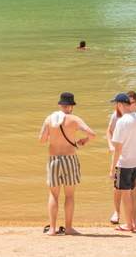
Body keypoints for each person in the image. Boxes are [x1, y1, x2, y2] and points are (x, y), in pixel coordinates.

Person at [37, 92, 96, 235]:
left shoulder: (49, 119)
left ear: (60, 105)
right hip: (69, 159)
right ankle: (68, 228)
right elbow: (92, 134)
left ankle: (52, 229)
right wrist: (84, 140)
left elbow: (41, 140)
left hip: (53, 160)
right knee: (69, 196)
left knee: (53, 195)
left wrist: (53, 136)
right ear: (71, 106)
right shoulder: (74, 119)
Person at [106, 91, 136, 225]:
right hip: (135, 160)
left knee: (127, 192)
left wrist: (112, 168)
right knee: (126, 189)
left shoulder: (129, 119)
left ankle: (130, 223)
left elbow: (119, 148)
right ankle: (128, 219)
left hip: (125, 161)